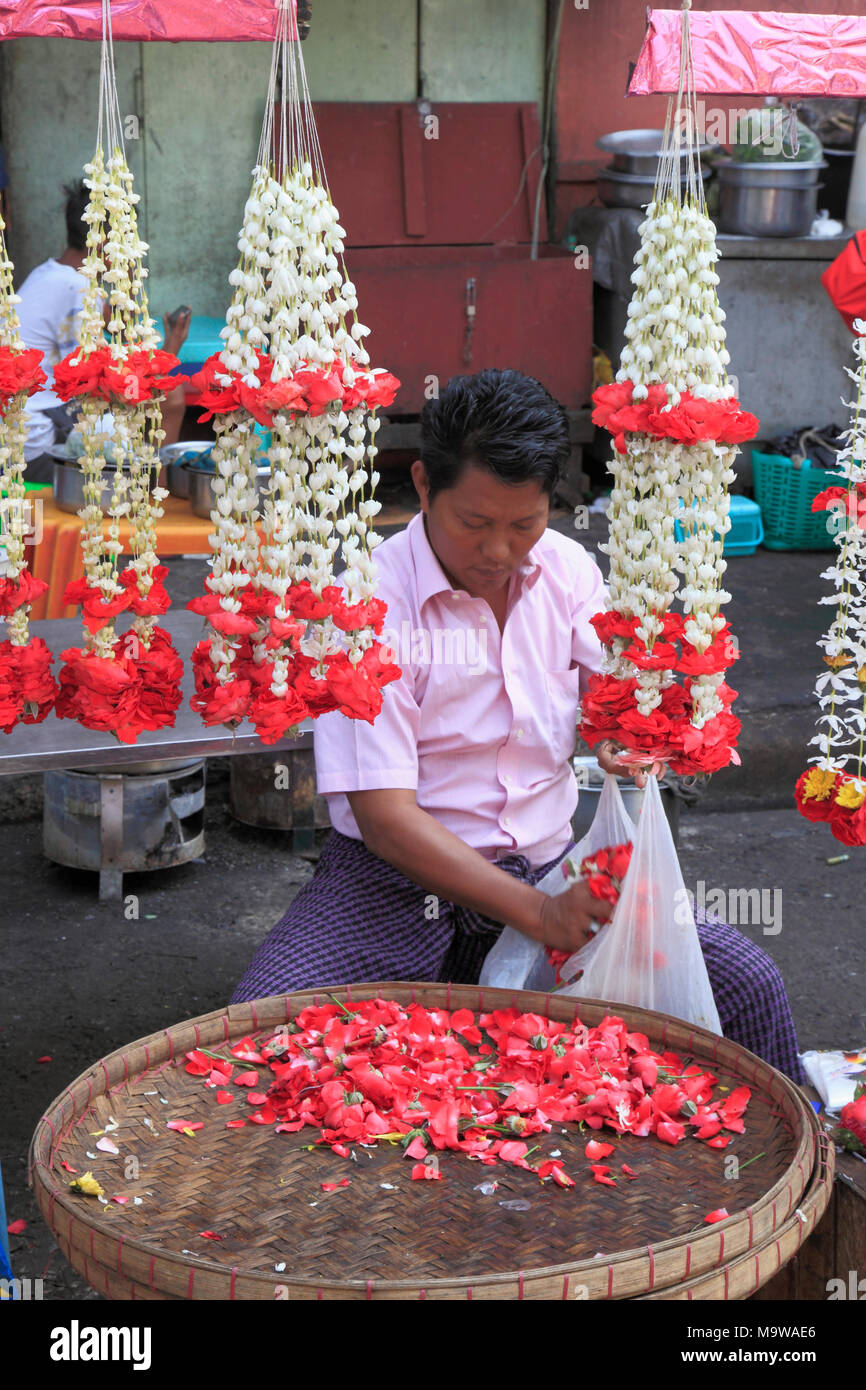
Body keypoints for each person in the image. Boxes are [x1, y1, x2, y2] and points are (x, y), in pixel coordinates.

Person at [230, 368, 805, 1083]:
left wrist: (630, 737)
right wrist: (538, 915)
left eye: (524, 525)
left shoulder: (565, 571)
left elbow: (617, 699)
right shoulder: (363, 605)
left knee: (746, 985)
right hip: (392, 880)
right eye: (474, 523)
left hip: (552, 866)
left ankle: (815, 1182)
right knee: (262, 1044)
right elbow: (384, 819)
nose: (499, 552)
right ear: (422, 483)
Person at [16, 179, 191, 483]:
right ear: (103, 243)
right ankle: (160, 500)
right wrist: (170, 351)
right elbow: (122, 387)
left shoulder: (47, 274)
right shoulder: (81, 288)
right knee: (169, 399)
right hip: (37, 440)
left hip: (36, 426)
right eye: (128, 240)